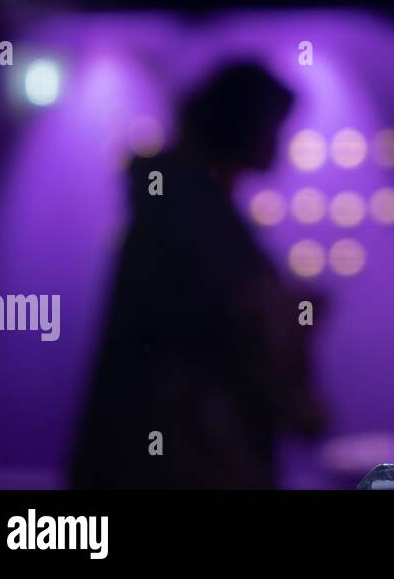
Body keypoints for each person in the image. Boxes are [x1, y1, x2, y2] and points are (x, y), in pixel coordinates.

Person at [70, 62, 324, 488]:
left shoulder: (186, 205)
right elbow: (219, 324)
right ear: (242, 125)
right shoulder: (190, 212)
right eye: (273, 126)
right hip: (179, 459)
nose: (280, 142)